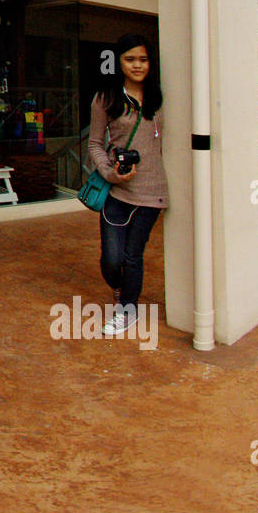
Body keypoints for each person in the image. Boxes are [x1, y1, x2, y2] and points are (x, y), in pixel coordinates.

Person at [86, 34, 165, 335]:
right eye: (130, 59)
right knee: (111, 259)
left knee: (133, 255)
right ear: (119, 63)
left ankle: (127, 309)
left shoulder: (159, 98)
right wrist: (109, 172)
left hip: (153, 192)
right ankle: (121, 289)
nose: (137, 65)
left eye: (143, 59)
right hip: (117, 192)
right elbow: (94, 143)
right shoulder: (105, 98)